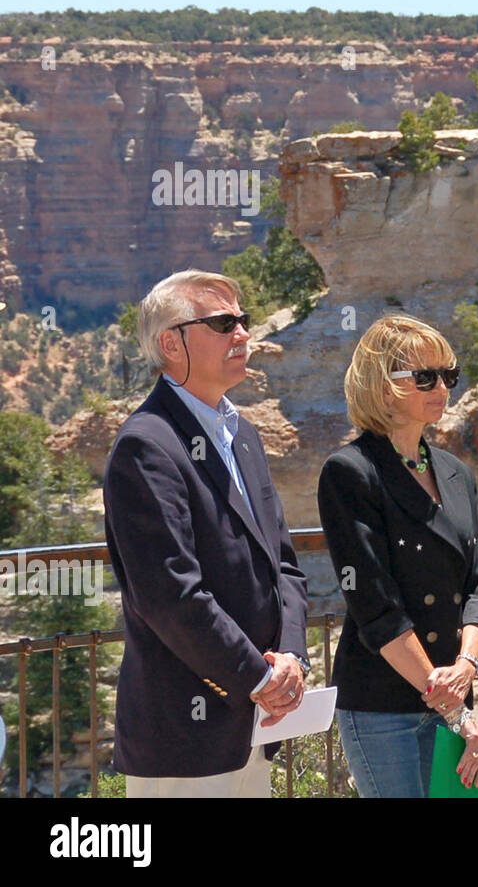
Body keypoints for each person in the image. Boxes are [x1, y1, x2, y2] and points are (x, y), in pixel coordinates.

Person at [104, 270, 310, 797]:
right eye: (222, 323)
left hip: (256, 728)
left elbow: (283, 566)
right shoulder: (146, 445)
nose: (243, 333)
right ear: (171, 343)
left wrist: (289, 659)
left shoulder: (243, 435)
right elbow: (171, 596)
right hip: (184, 742)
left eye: (243, 320)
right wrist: (261, 681)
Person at [317, 315, 478, 797]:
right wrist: (452, 706)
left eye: (448, 376)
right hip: (383, 706)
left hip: (454, 691)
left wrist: (466, 668)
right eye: (424, 377)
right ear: (382, 385)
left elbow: (477, 589)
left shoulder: (457, 472)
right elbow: (374, 605)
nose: (442, 387)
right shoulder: (349, 472)